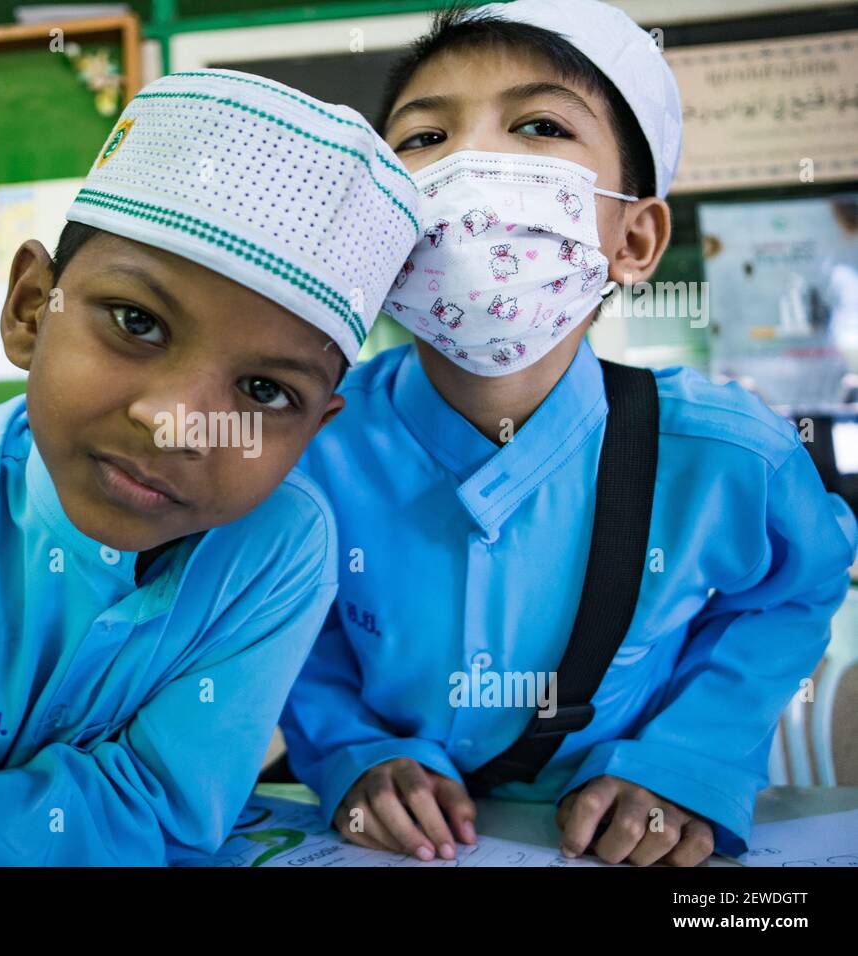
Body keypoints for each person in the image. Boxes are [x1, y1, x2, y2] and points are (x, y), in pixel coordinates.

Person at [280, 0, 858, 867]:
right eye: (424, 139)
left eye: (540, 124)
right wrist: (354, 750)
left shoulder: (725, 453)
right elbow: (290, 620)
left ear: (634, 237)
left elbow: (793, 591)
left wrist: (688, 761)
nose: (471, 161)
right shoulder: (306, 441)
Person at [0, 68, 423, 864]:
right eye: (137, 322)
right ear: (32, 309)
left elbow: (174, 803)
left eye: (263, 390)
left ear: (313, 431)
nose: (178, 425)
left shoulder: (281, 550)